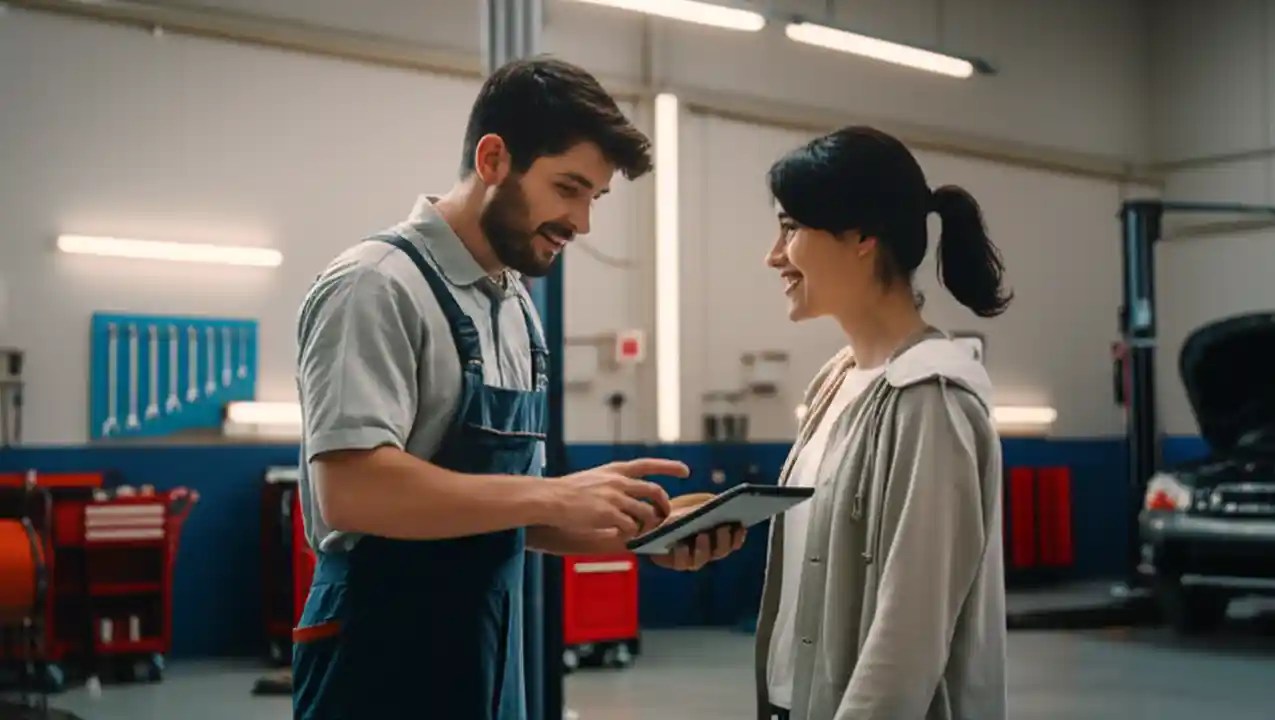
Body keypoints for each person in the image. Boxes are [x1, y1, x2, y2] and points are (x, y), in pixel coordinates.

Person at [291, 56, 745, 720]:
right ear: (494, 158)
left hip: (489, 652)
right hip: (377, 656)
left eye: (595, 197)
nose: (582, 223)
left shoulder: (514, 307)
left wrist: (640, 535)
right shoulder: (376, 285)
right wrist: (561, 492)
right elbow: (353, 490)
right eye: (568, 188)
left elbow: (505, 518)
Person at [754, 126, 1011, 720]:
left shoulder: (929, 400)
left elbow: (908, 635)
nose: (773, 255)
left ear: (863, 235)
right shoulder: (837, 383)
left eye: (791, 229)